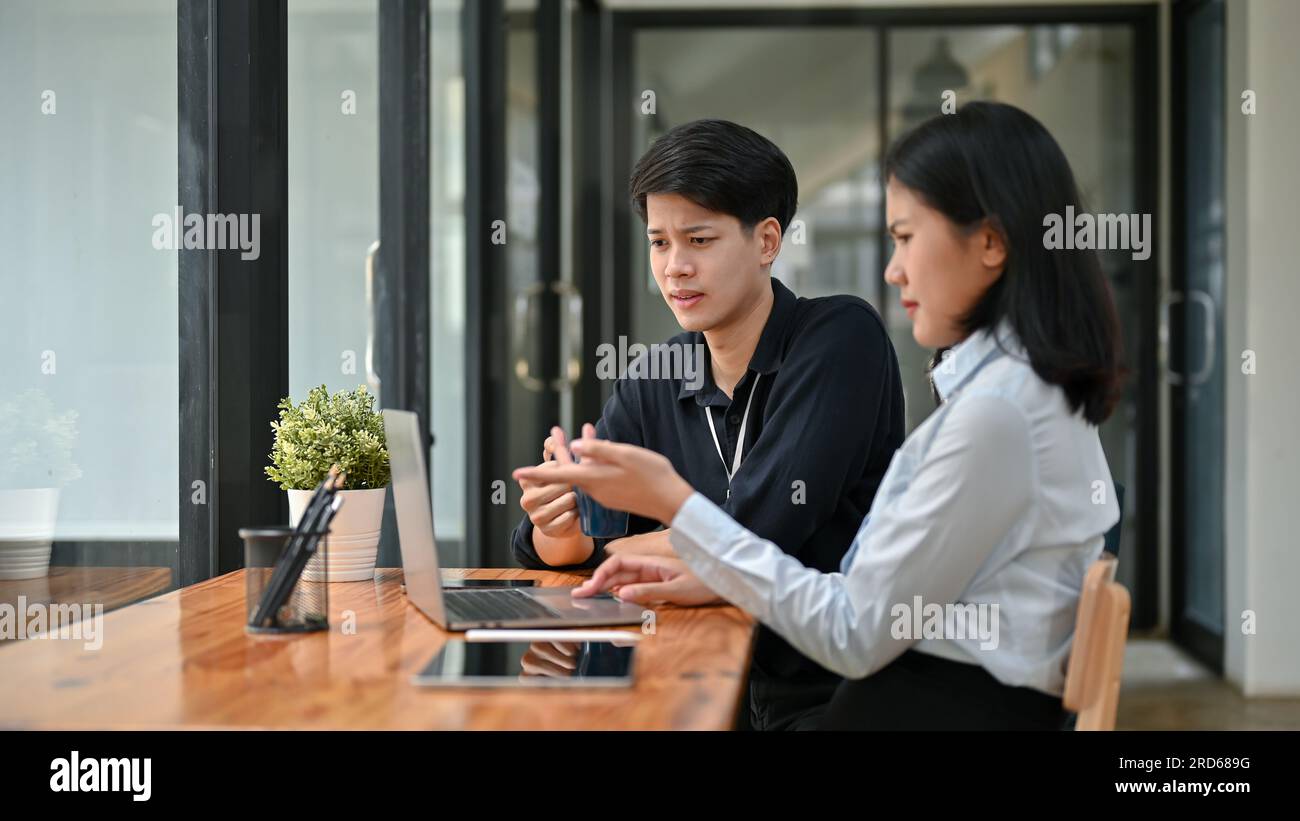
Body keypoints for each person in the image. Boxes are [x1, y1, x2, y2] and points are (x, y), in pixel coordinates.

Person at [514, 101, 1126, 730]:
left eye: (907, 237)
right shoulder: (1008, 396)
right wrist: (587, 533)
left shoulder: (991, 411)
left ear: (991, 243)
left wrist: (675, 512)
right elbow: (588, 542)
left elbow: (847, 621)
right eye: (660, 242)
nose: (893, 270)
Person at [510, 118, 905, 730]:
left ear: (767, 241)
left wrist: (620, 546)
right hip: (688, 678)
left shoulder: (839, 338)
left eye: (699, 240)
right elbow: (572, 553)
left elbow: (757, 530)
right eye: (659, 242)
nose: (675, 269)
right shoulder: (656, 376)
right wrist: (558, 521)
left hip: (824, 698)